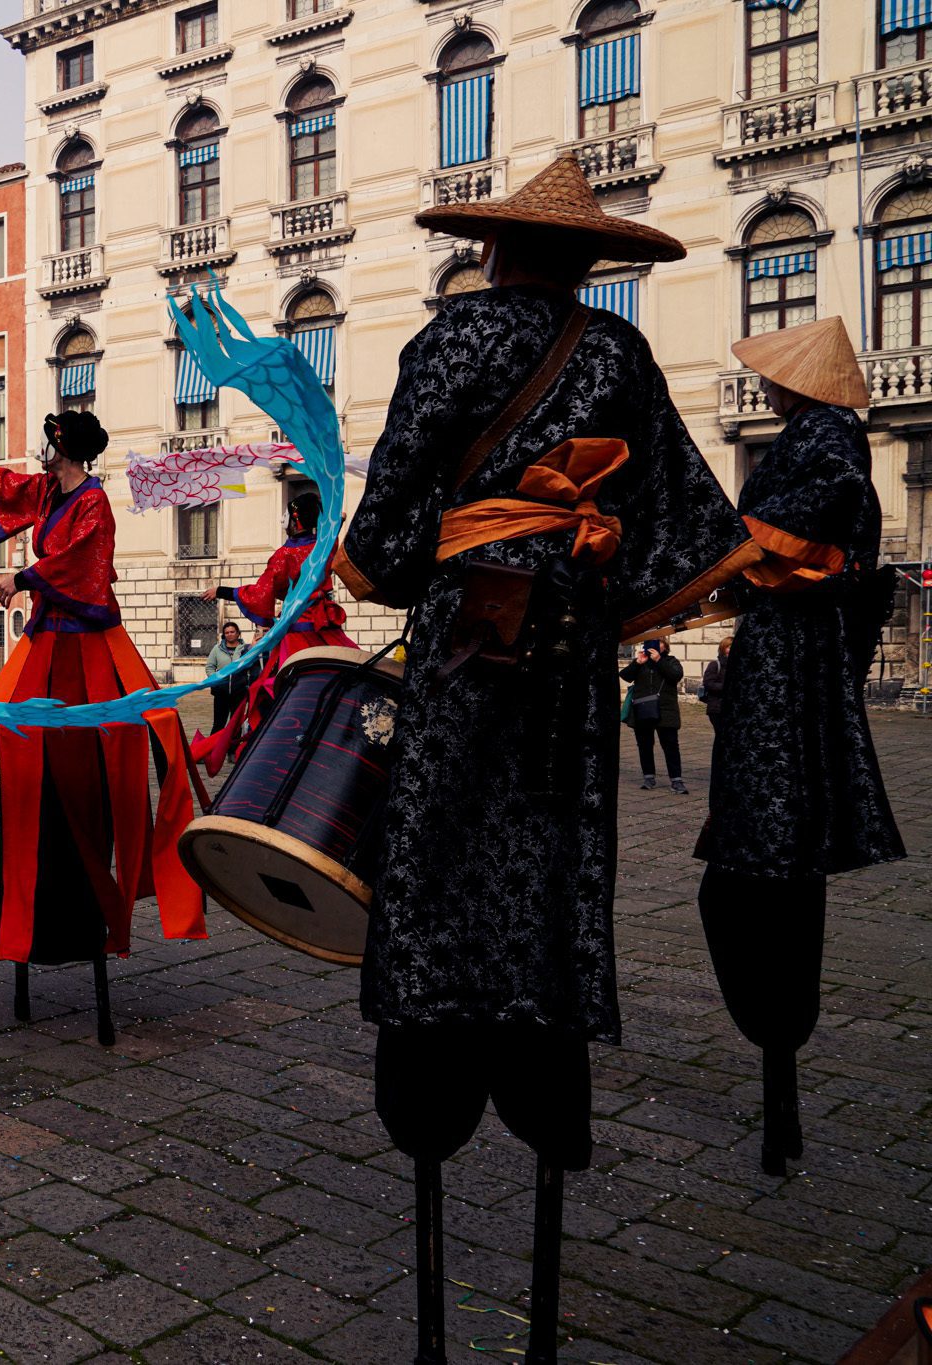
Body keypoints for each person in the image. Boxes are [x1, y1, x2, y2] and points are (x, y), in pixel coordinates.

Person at [332, 152, 757, 1363]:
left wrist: (457, 549)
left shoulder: (447, 342)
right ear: (583, 263)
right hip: (564, 659)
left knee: (432, 852)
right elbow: (682, 522)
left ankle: (429, 1071)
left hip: (466, 641)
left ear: (493, 249)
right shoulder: (616, 354)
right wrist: (580, 560)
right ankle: (538, 1050)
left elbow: (390, 527)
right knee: (552, 843)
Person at [696, 315, 906, 1175]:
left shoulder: (825, 441)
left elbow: (775, 538)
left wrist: (727, 559)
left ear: (799, 384)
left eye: (777, 375)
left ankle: (779, 1075)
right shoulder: (825, 441)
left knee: (759, 881)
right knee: (773, 880)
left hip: (788, 674)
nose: (766, 385)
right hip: (789, 665)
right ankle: (778, 1081)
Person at [0, 412, 206, 977]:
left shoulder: (94, 502)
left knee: (119, 734)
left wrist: (21, 579)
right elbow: (8, 486)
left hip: (85, 645)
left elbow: (81, 562)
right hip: (44, 639)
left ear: (64, 449)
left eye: (48, 444)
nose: (41, 453)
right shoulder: (47, 490)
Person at [195, 490, 356, 773]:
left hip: (298, 635)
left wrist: (221, 590)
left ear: (294, 518)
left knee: (275, 690)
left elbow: (261, 593)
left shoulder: (285, 554)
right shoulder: (323, 545)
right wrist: (336, 524)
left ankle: (278, 750)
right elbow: (331, 540)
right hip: (327, 631)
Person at [620, 638, 686, 793]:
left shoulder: (671, 661)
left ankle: (676, 780)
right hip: (643, 710)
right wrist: (637, 663)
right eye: (649, 643)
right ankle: (648, 777)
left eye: (658, 643)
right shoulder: (642, 662)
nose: (653, 646)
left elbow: (676, 675)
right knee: (645, 746)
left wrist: (659, 661)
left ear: (665, 647)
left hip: (666, 711)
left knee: (670, 746)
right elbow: (624, 675)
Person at [203, 620, 251, 736]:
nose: (230, 634)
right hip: (221, 693)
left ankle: (232, 751)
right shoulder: (217, 649)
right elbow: (209, 667)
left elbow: (250, 668)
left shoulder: (246, 649)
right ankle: (214, 751)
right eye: (227, 632)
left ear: (238, 633)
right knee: (219, 724)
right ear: (224, 635)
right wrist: (215, 680)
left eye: (232, 632)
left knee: (236, 724)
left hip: (239, 692)